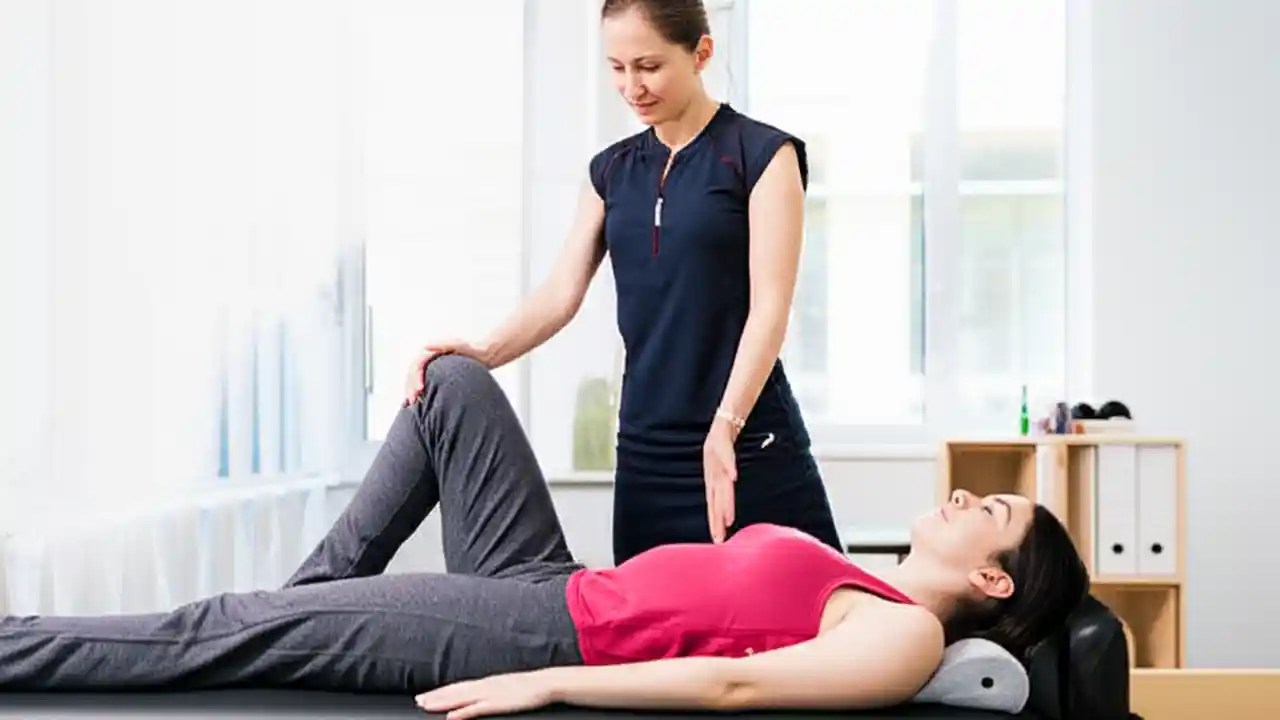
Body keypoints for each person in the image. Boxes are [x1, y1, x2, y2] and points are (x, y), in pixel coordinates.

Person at [0, 357, 1089, 718]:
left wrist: (549, 683)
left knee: (223, 623)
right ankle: (292, 626)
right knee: (455, 388)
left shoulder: (899, 637)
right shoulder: (858, 572)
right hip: (553, 582)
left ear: (993, 577)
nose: (962, 499)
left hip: (540, 631)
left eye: (985, 513)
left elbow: (733, 691)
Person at [402, 0, 843, 564]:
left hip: (748, 445)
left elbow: (770, 311)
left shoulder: (761, 156)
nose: (632, 86)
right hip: (646, 455)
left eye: (649, 66)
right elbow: (561, 294)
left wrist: (724, 429)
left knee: (810, 624)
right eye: (617, 67)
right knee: (656, 638)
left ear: (701, 53)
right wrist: (483, 350)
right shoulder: (609, 171)